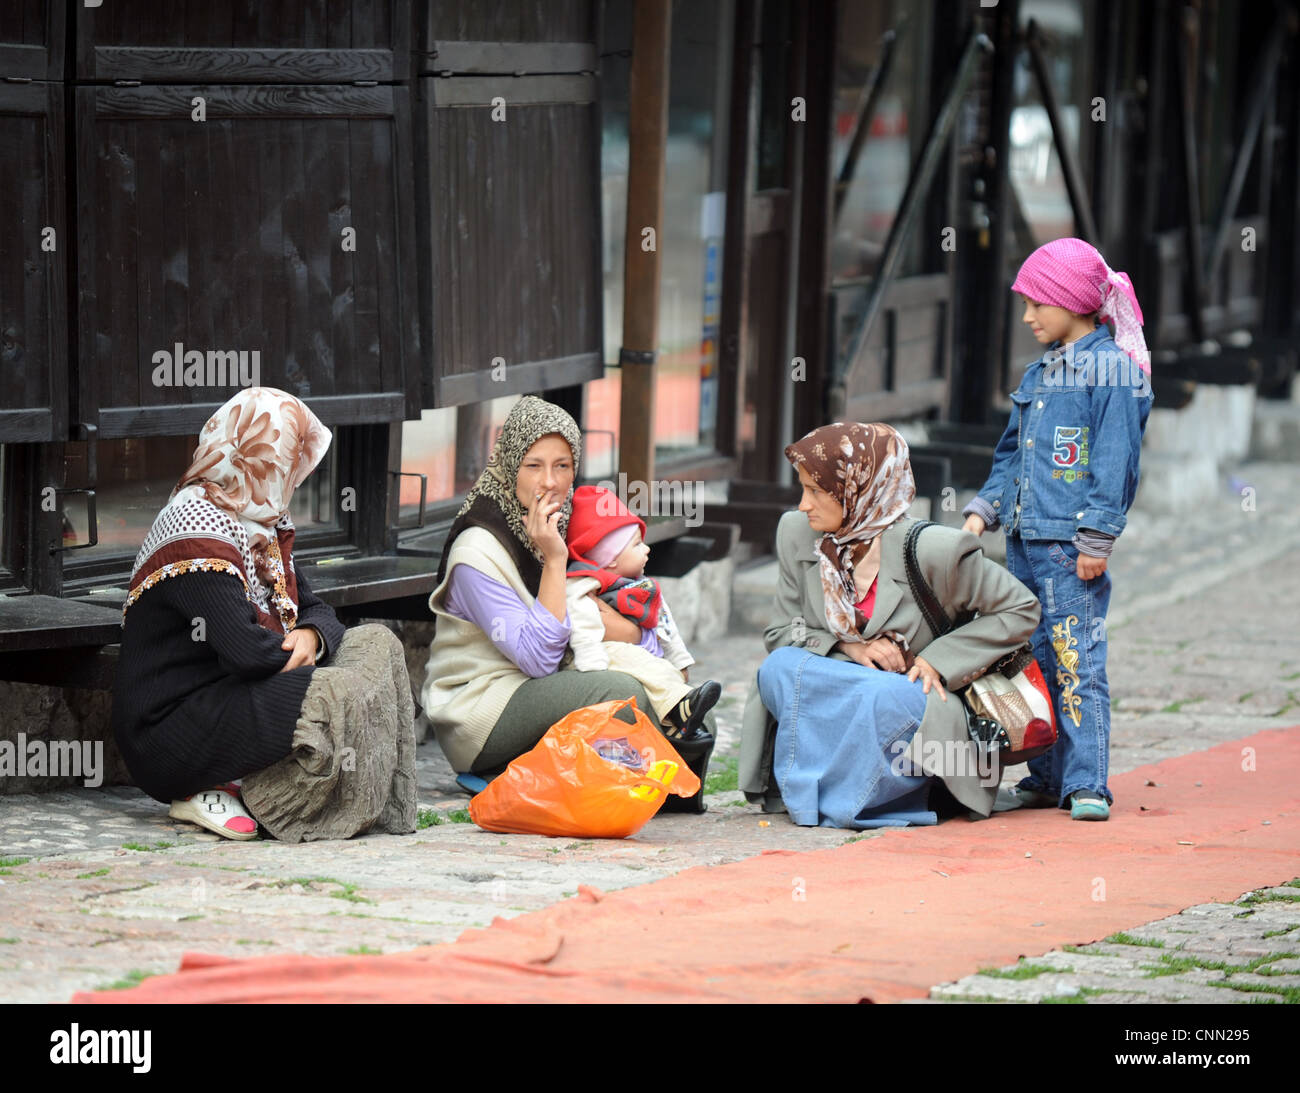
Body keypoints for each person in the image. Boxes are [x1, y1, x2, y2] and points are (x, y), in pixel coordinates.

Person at [111, 388, 417, 842]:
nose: (294, 474)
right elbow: (246, 652)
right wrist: (310, 658)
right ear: (257, 458)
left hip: (234, 695)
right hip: (172, 729)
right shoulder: (196, 527)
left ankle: (367, 803)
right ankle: (265, 798)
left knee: (377, 643)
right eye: (287, 459)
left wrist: (311, 636)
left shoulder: (259, 522)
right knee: (335, 690)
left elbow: (317, 611)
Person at [738, 423, 1041, 828]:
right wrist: (848, 647)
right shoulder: (797, 532)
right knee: (777, 668)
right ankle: (826, 791)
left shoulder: (936, 548)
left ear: (859, 488)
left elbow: (1020, 608)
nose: (803, 504)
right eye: (803, 489)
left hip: (911, 692)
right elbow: (782, 633)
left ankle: (845, 798)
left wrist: (937, 661)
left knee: (882, 696)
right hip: (840, 676)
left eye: (816, 491)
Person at [421, 397, 715, 805]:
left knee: (682, 704)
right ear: (510, 466)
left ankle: (653, 783)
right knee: (620, 693)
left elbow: (623, 626)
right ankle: (660, 783)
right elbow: (539, 659)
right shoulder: (477, 552)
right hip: (483, 709)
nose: (550, 481)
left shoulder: (567, 522)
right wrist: (556, 560)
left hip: (551, 683)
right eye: (533, 465)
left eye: (562, 466)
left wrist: (630, 633)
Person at [961, 237, 1153, 821]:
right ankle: (1045, 777)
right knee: (1033, 656)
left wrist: (1097, 537)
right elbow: (1012, 455)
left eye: (1036, 304)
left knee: (1076, 658)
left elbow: (1116, 460)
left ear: (1071, 301)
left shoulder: (1112, 372)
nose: (1027, 317)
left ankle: (1087, 782)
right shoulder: (1040, 373)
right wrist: (983, 511)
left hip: (1070, 549)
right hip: (1023, 540)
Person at [564, 484, 720, 739]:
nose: (647, 549)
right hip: (600, 658)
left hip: (642, 656)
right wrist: (592, 667)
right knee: (634, 659)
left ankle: (679, 717)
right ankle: (680, 709)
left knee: (654, 669)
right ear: (611, 558)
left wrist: (679, 661)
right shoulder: (584, 583)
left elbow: (664, 623)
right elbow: (581, 620)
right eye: (637, 544)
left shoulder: (641, 586)